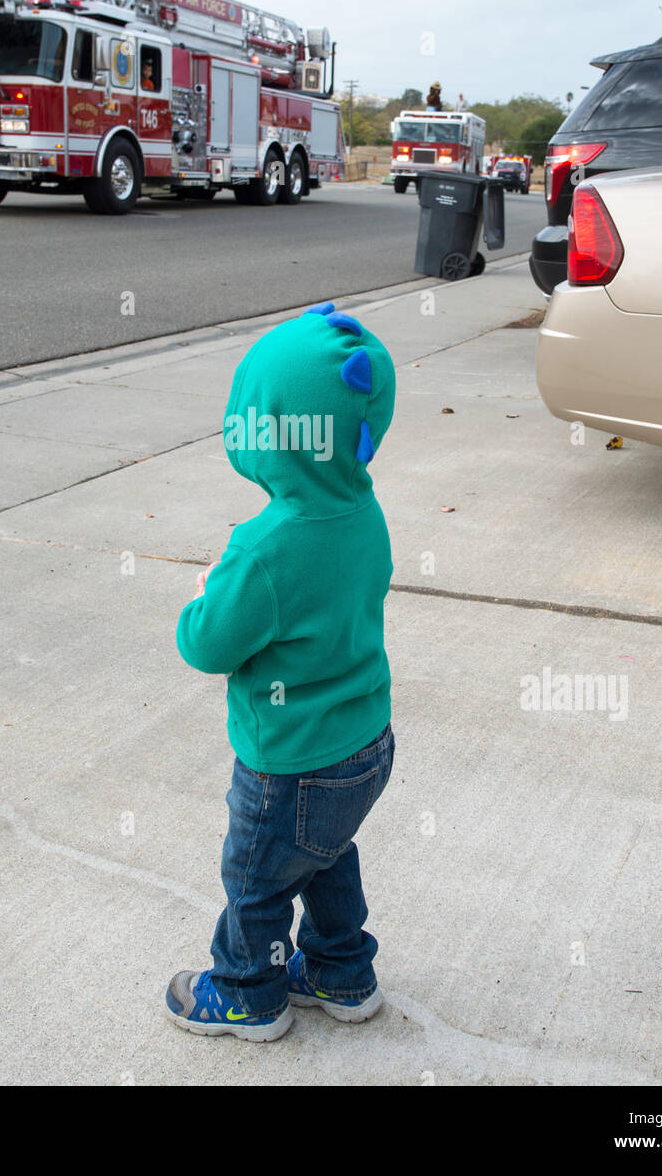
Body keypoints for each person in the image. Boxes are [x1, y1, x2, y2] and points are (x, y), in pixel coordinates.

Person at [166, 300, 397, 1041]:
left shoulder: (264, 547)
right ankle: (341, 972)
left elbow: (206, 645)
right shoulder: (364, 513)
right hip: (365, 746)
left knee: (257, 880)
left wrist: (203, 592)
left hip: (287, 764)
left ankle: (246, 990)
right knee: (326, 856)